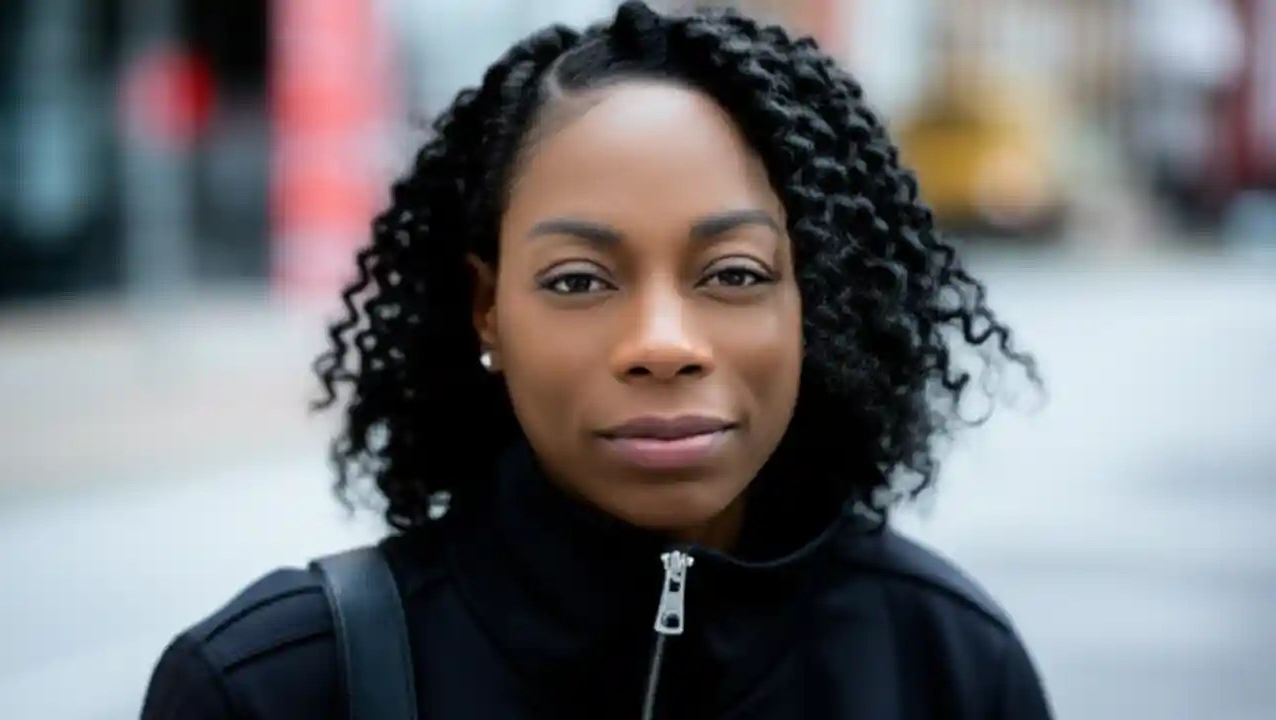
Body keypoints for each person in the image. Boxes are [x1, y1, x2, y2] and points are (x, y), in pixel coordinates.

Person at [141, 2, 1052, 718]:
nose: (662, 343)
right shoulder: (269, 690)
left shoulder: (950, 665)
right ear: (487, 310)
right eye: (579, 281)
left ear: (813, 303)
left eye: (733, 273)